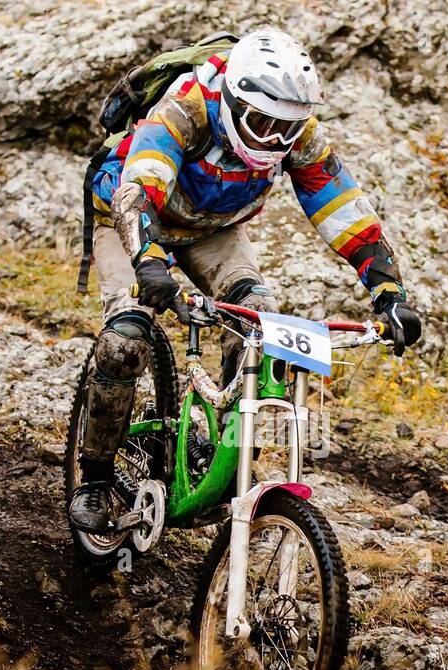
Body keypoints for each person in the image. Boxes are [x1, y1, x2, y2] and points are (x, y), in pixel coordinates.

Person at [70, 27, 423, 533]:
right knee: (125, 340)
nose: (275, 140)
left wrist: (390, 292)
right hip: (132, 218)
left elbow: (343, 208)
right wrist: (148, 261)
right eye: (261, 123)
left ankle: (223, 456)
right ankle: (97, 478)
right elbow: (139, 185)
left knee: (259, 321)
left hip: (212, 230)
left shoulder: (295, 135)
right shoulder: (186, 107)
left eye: (287, 129)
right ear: (234, 102)